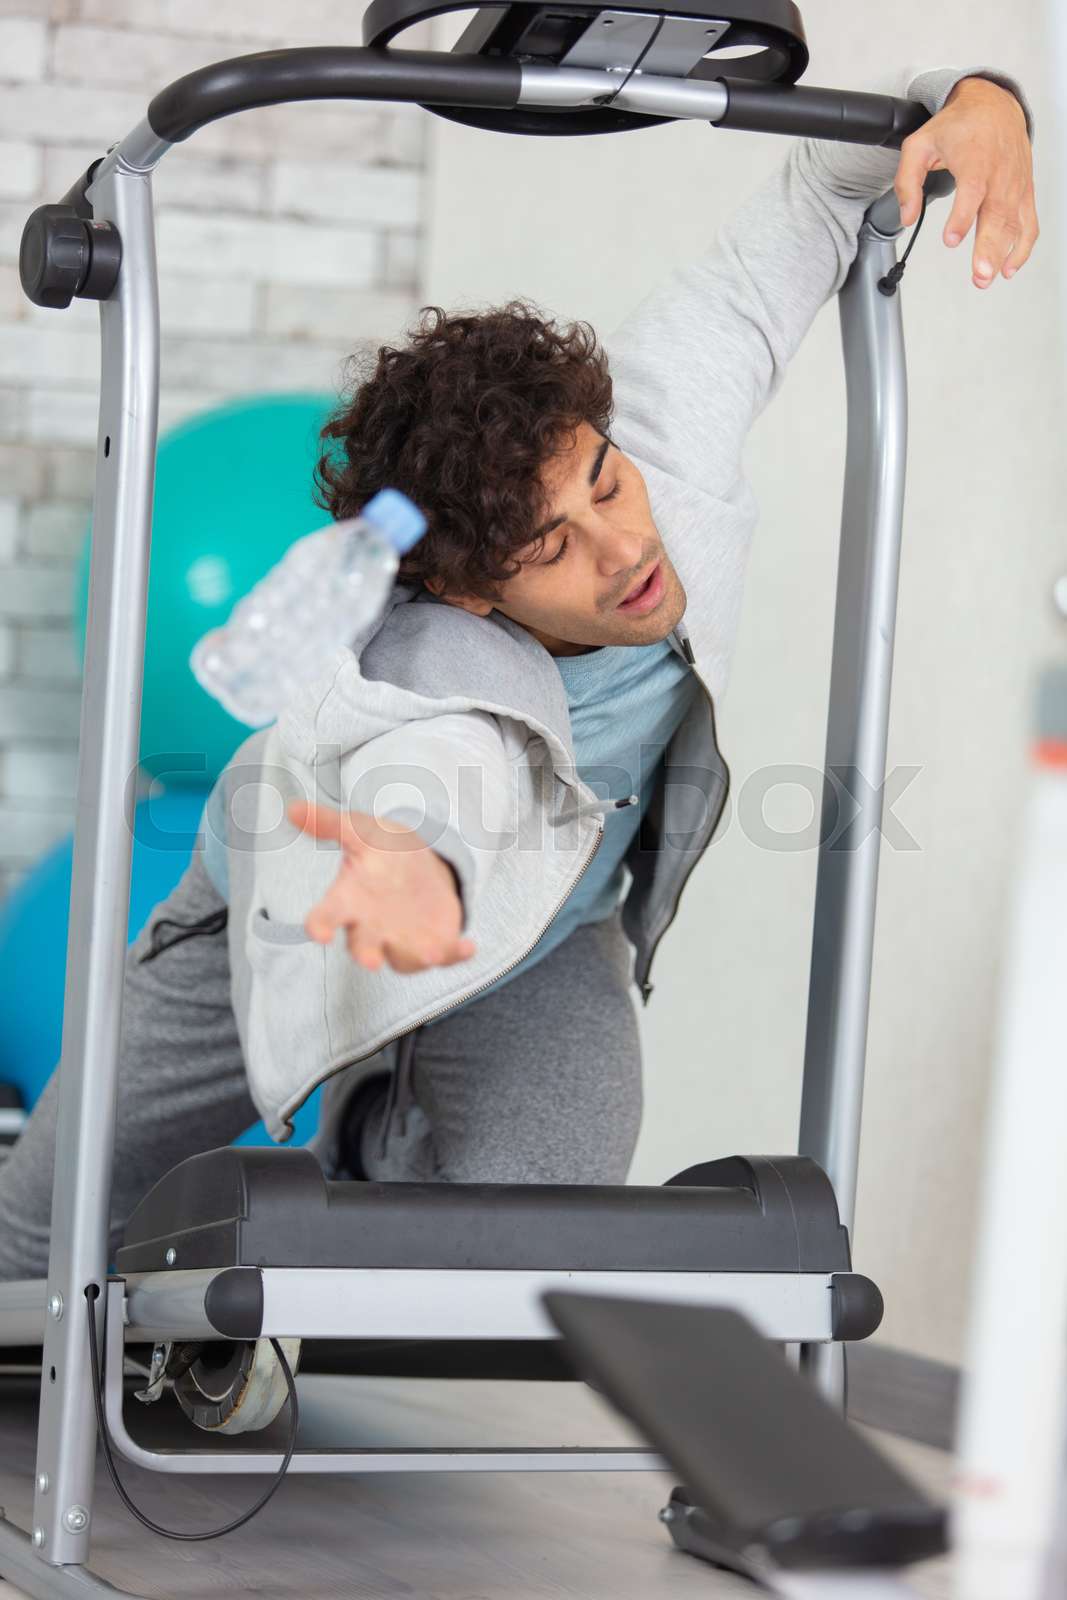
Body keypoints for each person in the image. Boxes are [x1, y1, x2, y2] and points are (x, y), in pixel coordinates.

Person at [0, 63, 1037, 1281]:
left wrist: (978, 101)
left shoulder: (661, 434)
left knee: (530, 1223)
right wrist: (417, 864)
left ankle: (372, 1132)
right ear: (466, 587)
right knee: (39, 1228)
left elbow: (817, 191)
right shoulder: (416, 664)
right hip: (295, 916)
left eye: (604, 482)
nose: (626, 551)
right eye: (551, 549)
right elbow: (435, 774)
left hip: (540, 934)